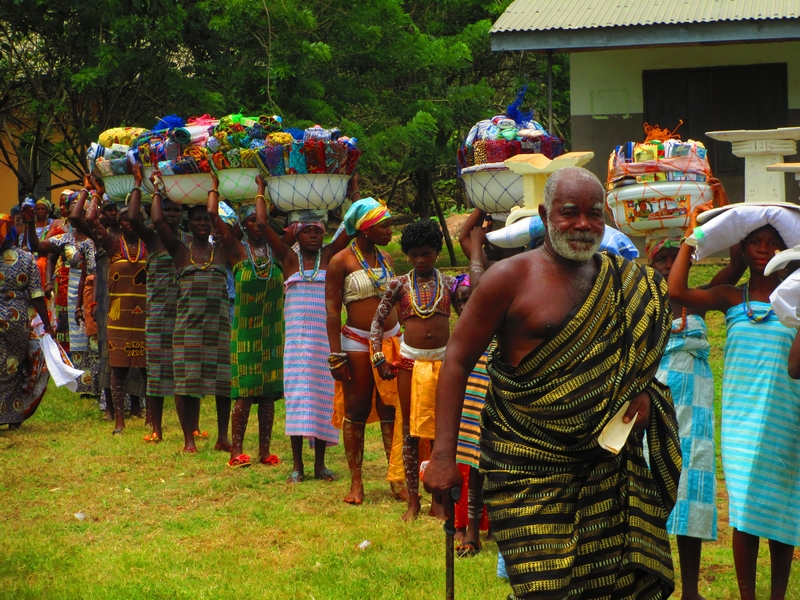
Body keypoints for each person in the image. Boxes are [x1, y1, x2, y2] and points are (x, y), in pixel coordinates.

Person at [424, 167, 681, 598]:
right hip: (527, 466)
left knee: (607, 587)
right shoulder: (508, 279)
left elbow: (635, 359)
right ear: (545, 215)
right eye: (569, 212)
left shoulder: (626, 281)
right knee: (542, 586)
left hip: (606, 466)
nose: (583, 224)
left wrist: (641, 392)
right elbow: (457, 361)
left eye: (594, 214)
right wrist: (443, 456)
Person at [668, 202, 800, 600]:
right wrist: (691, 242)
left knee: (781, 506)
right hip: (740, 418)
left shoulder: (795, 300)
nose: (764, 249)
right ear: (741, 248)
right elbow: (677, 292)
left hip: (785, 414)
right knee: (742, 507)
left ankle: (778, 595)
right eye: (755, 241)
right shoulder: (730, 297)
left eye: (773, 242)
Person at [257, 177, 353, 483]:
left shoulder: (330, 257)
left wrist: (352, 190)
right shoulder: (288, 258)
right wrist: (261, 189)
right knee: (299, 400)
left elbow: (352, 227)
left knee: (324, 399)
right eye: (307, 230)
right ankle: (297, 465)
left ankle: (320, 465)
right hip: (298, 345)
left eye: (318, 231)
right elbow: (262, 224)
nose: (313, 235)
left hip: (325, 342)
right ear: (297, 233)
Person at [370, 220, 455, 521]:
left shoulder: (449, 283)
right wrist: (378, 357)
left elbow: (469, 318)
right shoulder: (399, 285)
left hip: (444, 363)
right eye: (415, 254)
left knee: (444, 431)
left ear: (437, 252)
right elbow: (377, 322)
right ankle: (413, 501)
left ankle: (440, 500)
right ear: (407, 254)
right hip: (409, 363)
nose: (421, 260)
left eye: (427, 254)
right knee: (410, 431)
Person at [325, 197, 403, 505]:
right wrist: (336, 355)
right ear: (365, 229)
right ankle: (356, 482)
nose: (390, 231)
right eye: (384, 226)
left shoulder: (387, 259)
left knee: (390, 408)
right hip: (356, 342)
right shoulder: (340, 261)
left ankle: (396, 479)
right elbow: (332, 310)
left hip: (391, 340)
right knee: (356, 410)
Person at [150, 175, 232, 454]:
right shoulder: (180, 252)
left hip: (219, 329)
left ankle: (223, 437)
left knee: (223, 384)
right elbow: (158, 221)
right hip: (187, 331)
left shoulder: (222, 250)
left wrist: (215, 189)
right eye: (197, 220)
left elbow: (240, 224)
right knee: (185, 385)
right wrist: (157, 189)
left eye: (206, 220)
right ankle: (189, 440)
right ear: (189, 224)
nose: (202, 223)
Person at [208, 174, 283, 468]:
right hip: (246, 333)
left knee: (268, 394)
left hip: (272, 331)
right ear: (243, 224)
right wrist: (214, 186)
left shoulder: (277, 250)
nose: (258, 225)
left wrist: (262, 191)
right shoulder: (236, 250)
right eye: (251, 221)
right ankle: (236, 450)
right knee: (245, 392)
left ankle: (265, 450)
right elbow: (213, 215)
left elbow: (268, 224)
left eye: (259, 220)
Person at [127, 165, 184, 443]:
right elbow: (133, 217)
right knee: (157, 371)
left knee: (187, 370)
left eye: (176, 210)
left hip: (186, 314)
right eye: (167, 210)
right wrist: (139, 184)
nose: (171, 214)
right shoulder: (152, 238)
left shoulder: (188, 241)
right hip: (159, 315)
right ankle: (156, 427)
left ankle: (192, 426)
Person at [24, 194, 99, 396]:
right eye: (74, 214)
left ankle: (101, 384)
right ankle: (85, 384)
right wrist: (30, 223)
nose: (76, 217)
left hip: (97, 286)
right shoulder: (65, 239)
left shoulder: (97, 237)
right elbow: (38, 247)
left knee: (96, 334)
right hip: (74, 286)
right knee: (78, 334)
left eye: (81, 213)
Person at [86, 189, 147, 434]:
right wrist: (94, 194)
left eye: (134, 218)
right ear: (119, 223)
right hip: (119, 318)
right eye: (125, 219)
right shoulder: (113, 245)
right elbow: (88, 219)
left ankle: (151, 418)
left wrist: (141, 186)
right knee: (119, 368)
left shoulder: (151, 244)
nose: (129, 222)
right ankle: (119, 420)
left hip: (144, 316)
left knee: (146, 367)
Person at [0, 213, 53, 428]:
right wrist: (47, 325)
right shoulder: (25, 258)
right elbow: (37, 295)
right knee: (13, 367)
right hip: (17, 320)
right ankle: (12, 416)